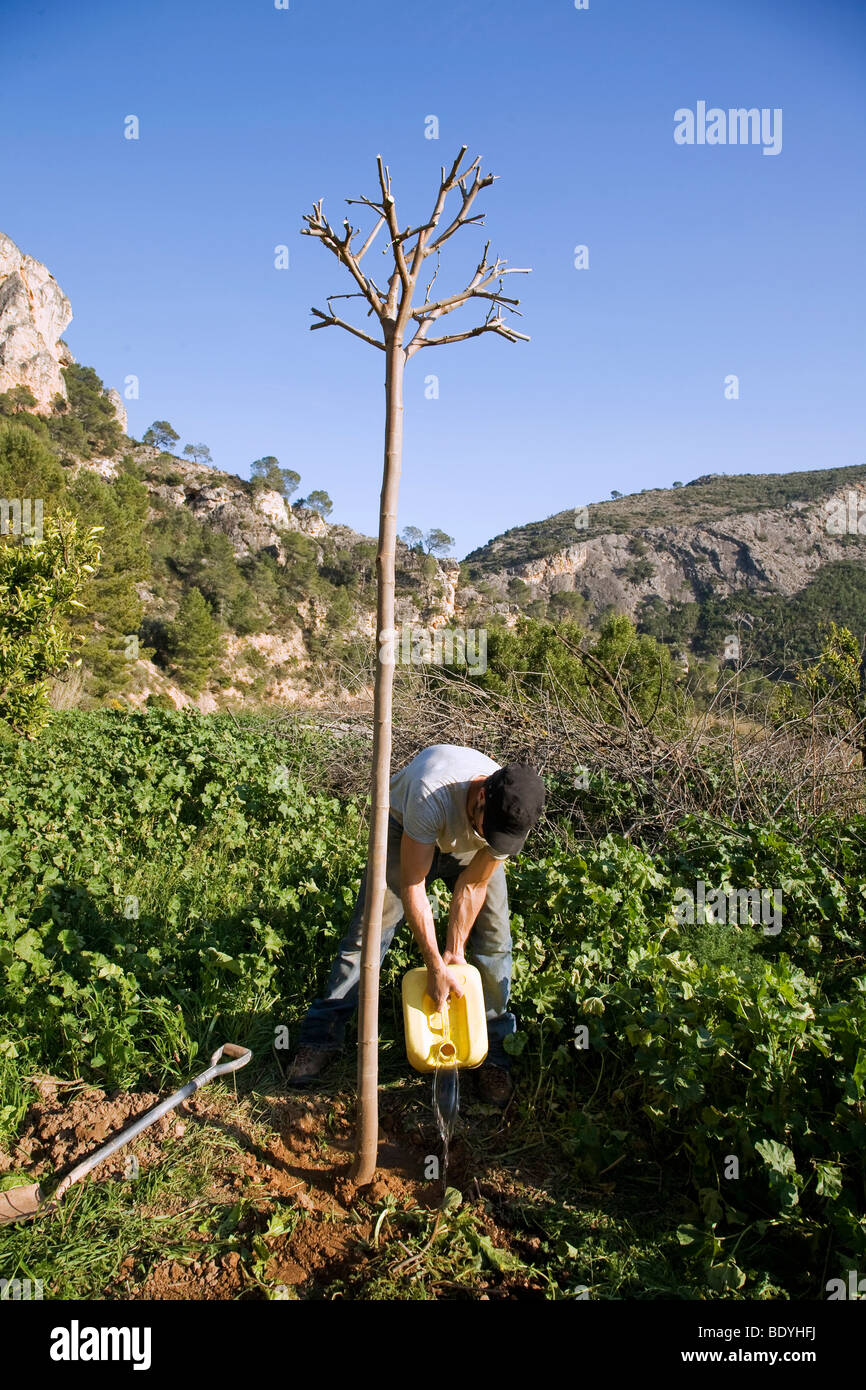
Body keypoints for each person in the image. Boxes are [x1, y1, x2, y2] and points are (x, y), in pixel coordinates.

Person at [287, 744, 545, 1108]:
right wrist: (435, 966)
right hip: (405, 825)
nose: (494, 841)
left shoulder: (511, 817)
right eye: (490, 830)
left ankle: (494, 1052)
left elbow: (472, 885)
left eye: (500, 838)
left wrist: (454, 953)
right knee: (370, 930)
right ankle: (321, 1037)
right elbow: (414, 887)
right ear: (482, 795)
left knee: (495, 940)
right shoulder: (431, 793)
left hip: (462, 841)